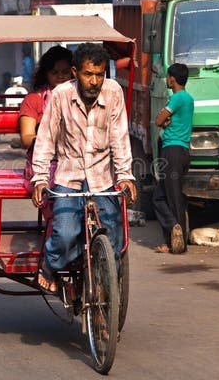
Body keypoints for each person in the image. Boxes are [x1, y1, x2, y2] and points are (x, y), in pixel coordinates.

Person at [31, 42, 136, 292]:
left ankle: (106, 292)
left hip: (103, 177)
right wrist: (40, 178)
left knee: (114, 236)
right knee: (66, 234)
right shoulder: (61, 95)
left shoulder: (113, 92)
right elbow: (46, 138)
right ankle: (50, 266)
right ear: (75, 72)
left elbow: (120, 137)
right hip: (69, 177)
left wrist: (125, 176)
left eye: (99, 75)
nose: (94, 81)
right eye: (88, 74)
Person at [19, 47, 73, 206]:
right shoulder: (33, 100)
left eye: (65, 72)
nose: (60, 77)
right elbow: (26, 138)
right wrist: (49, 141)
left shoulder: (82, 98)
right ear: (46, 73)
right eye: (54, 72)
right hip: (44, 165)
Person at [153, 63, 194, 254]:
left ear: (172, 78)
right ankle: (172, 235)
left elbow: (158, 121)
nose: (167, 80)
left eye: (168, 77)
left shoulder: (177, 98)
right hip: (182, 151)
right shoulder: (189, 99)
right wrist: (166, 121)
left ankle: (177, 240)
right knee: (160, 196)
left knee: (172, 197)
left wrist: (163, 120)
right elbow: (167, 121)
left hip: (172, 150)